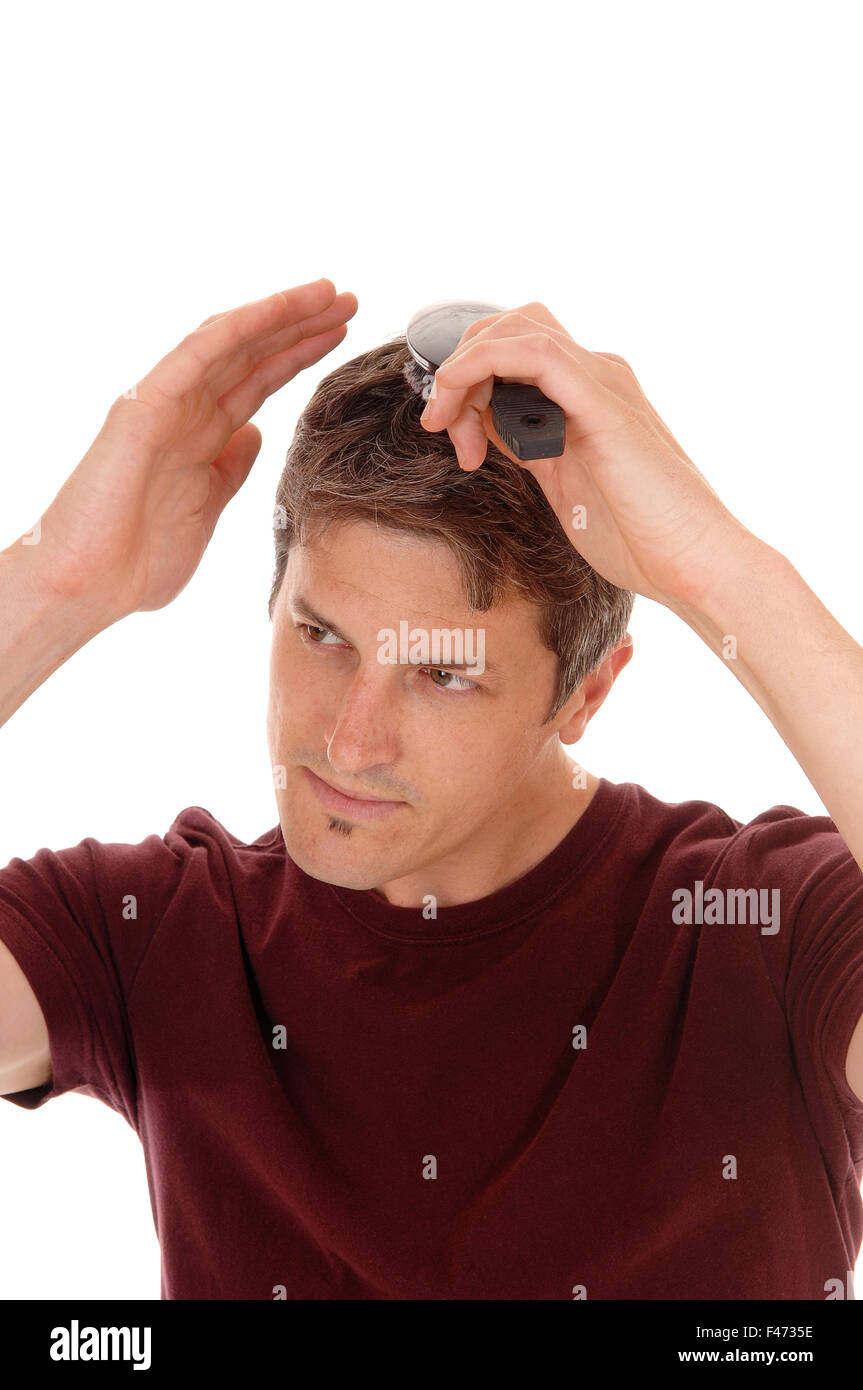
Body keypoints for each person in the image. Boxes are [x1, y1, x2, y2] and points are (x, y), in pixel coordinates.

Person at [1, 277, 862, 1301]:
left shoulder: (761, 929)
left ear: (585, 691)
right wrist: (54, 584)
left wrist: (718, 570)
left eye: (444, 674)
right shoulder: (157, 933)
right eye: (321, 635)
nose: (348, 742)